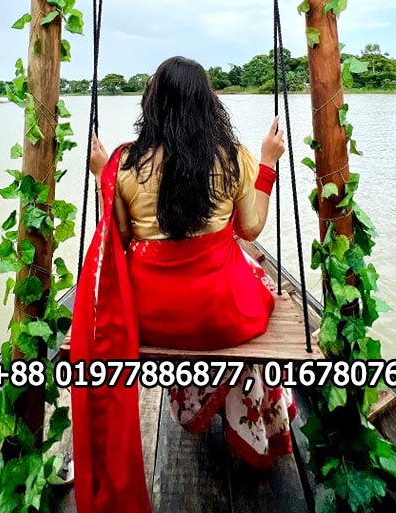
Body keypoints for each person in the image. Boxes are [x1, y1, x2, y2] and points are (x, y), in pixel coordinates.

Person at [70, 56, 294, 513]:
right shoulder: (232, 157)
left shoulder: (125, 164)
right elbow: (251, 230)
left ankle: (193, 398)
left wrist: (101, 176)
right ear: (207, 103)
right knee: (257, 279)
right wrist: (268, 161)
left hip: (151, 318)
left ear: (152, 103)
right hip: (224, 315)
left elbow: (119, 240)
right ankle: (249, 413)